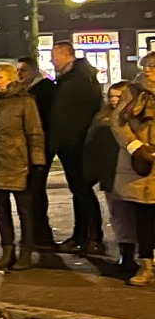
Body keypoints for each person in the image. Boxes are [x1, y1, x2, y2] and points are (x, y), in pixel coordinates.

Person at [0, 61, 48, 271]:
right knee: (1, 210)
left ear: (11, 78)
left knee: (25, 211)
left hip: (19, 164)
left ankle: (26, 251)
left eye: (0, 77)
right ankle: (7, 251)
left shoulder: (25, 101)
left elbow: (34, 133)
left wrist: (37, 163)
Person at [48, 41, 105, 255]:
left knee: (82, 190)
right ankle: (81, 235)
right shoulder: (72, 79)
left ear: (66, 55)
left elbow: (67, 115)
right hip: (72, 144)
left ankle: (92, 237)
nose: (53, 60)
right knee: (79, 191)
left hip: (79, 145)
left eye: (55, 55)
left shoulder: (78, 81)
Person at [109, 52, 155, 286]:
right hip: (141, 165)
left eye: (153, 66)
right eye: (145, 65)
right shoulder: (133, 92)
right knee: (144, 218)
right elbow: (117, 122)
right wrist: (135, 146)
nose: (147, 70)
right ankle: (146, 265)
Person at [89, 82, 132, 275]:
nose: (114, 100)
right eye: (111, 96)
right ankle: (126, 254)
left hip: (133, 174)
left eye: (119, 96)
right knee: (118, 216)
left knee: (137, 216)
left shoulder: (134, 118)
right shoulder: (102, 119)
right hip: (110, 174)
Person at [17, 56, 56, 250]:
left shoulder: (44, 90)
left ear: (33, 70)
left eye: (23, 70)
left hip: (40, 147)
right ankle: (38, 233)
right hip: (30, 149)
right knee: (32, 191)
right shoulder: (27, 91)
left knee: (36, 190)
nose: (19, 75)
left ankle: (42, 235)